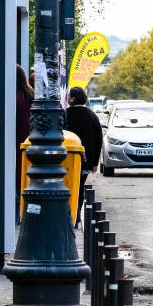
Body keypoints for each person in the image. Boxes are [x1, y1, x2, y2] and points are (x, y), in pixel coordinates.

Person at [64, 86, 103, 228]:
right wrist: (95, 163)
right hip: (86, 160)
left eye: (69, 96)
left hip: (67, 159)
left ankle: (68, 215)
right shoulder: (92, 115)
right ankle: (77, 215)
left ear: (73, 98)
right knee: (79, 187)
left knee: (66, 186)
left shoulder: (66, 114)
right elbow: (99, 139)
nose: (67, 99)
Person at [15, 64, 34, 222]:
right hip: (30, 146)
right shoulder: (31, 95)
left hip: (16, 146)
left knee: (15, 185)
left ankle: (16, 217)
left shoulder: (14, 99)